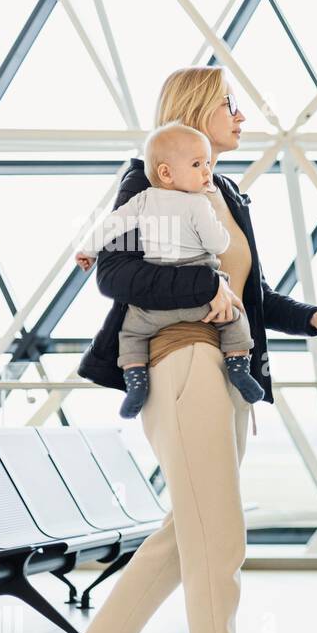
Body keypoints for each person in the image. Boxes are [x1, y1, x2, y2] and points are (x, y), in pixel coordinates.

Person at [51, 65, 317, 633]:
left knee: (187, 534)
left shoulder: (225, 193)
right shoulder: (151, 179)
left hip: (223, 370)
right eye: (230, 106)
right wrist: (202, 280)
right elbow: (116, 273)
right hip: (181, 361)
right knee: (220, 535)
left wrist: (313, 318)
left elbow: (250, 296)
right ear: (194, 111)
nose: (242, 117)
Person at [75, 121, 263, 419]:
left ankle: (136, 380)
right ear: (166, 172)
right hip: (202, 300)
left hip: (153, 308)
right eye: (197, 164)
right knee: (235, 320)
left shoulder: (142, 199)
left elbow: (111, 226)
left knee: (130, 334)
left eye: (207, 164)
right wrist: (218, 229)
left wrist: (87, 251)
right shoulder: (198, 204)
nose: (207, 171)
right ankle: (239, 367)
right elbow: (217, 243)